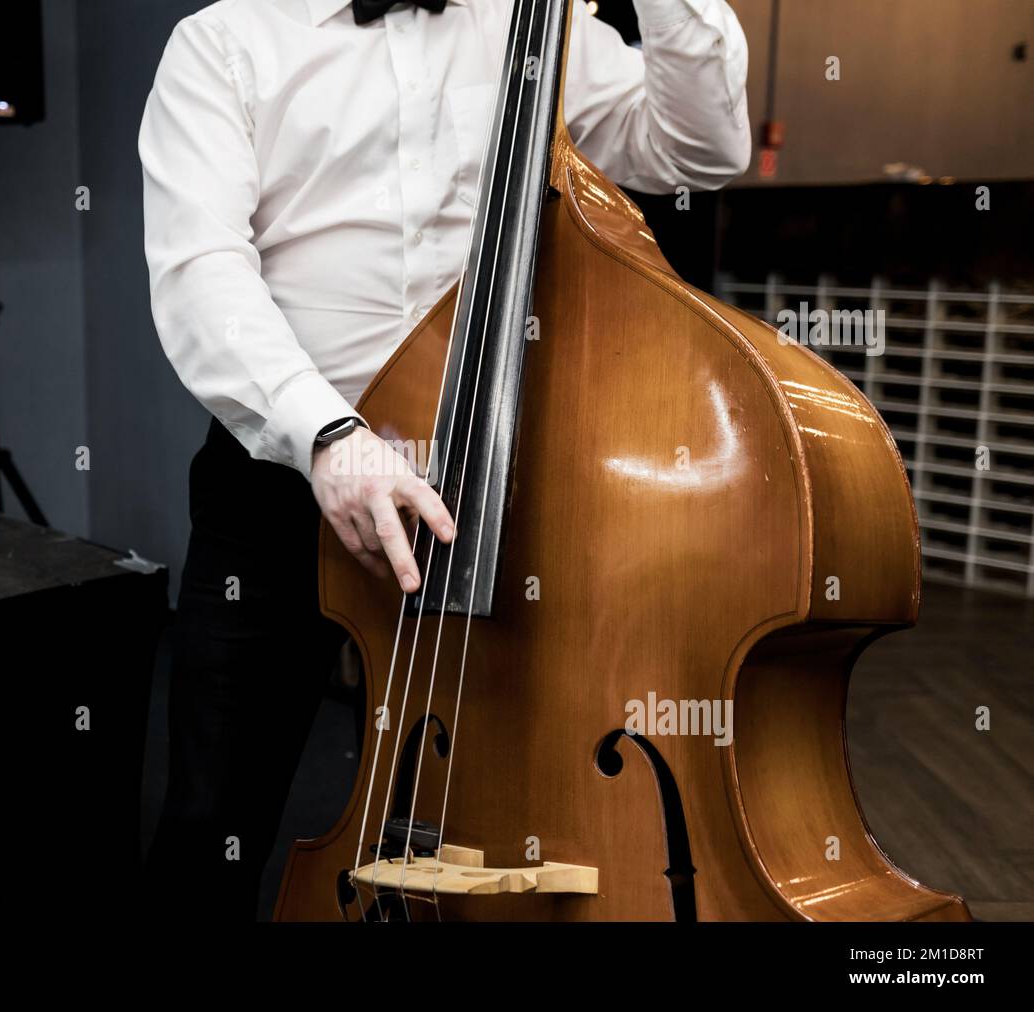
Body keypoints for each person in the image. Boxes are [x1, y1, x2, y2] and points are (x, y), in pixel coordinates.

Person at [139, 0, 750, 919]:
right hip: (285, 477)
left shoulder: (543, 21)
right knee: (213, 816)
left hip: (500, 478)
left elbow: (694, 149)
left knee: (513, 785)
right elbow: (201, 271)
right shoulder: (225, 40)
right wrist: (328, 436)